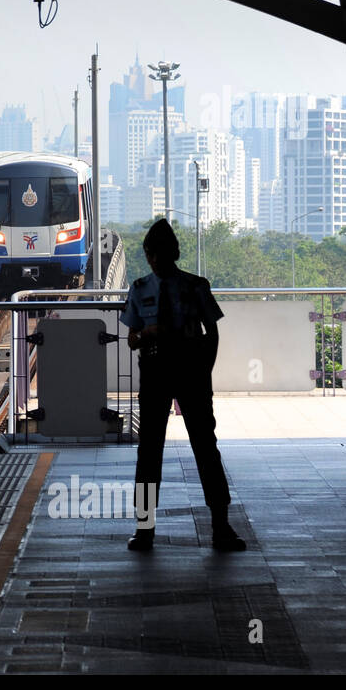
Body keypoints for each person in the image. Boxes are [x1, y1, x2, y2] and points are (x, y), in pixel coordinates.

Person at [120, 218, 246, 552]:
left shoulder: (195, 286)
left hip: (191, 370)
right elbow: (130, 337)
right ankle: (144, 528)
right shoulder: (139, 288)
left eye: (162, 253)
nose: (157, 259)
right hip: (155, 370)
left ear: (173, 253)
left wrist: (205, 368)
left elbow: (212, 332)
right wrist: (147, 334)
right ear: (148, 255)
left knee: (205, 447)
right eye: (153, 253)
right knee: (149, 451)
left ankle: (221, 525)